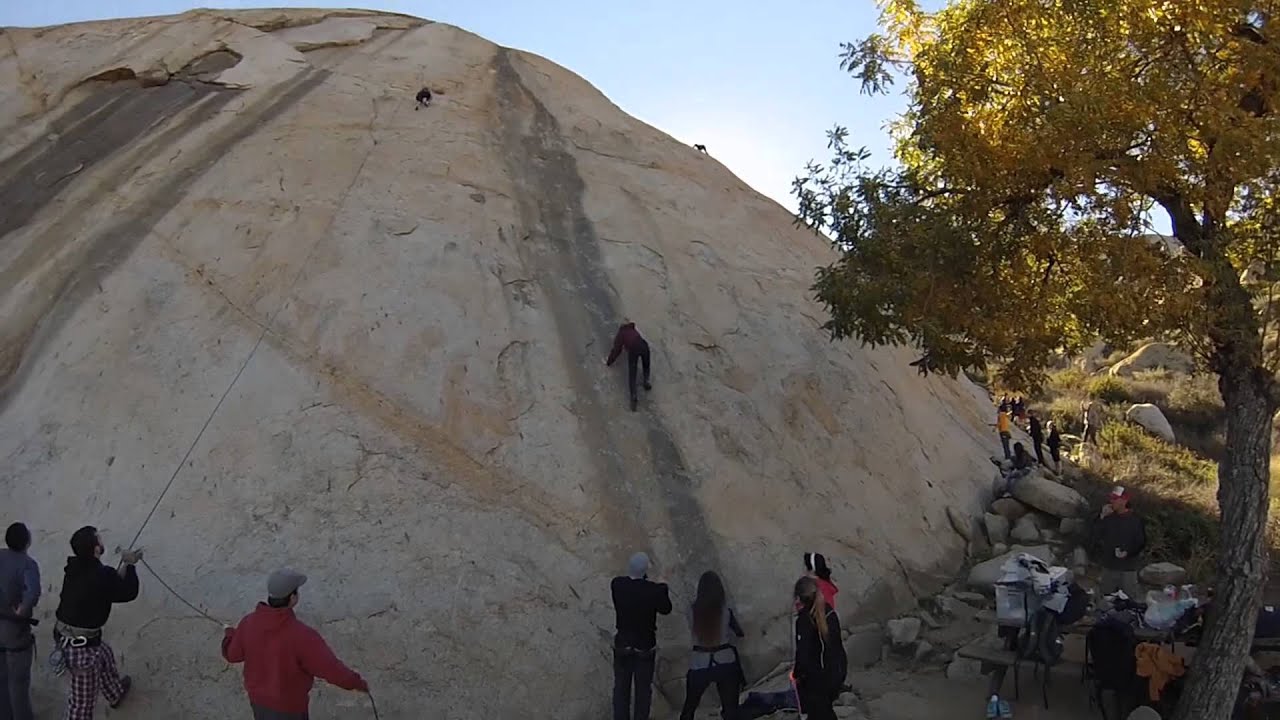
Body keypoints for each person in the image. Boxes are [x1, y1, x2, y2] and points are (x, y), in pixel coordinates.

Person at [222, 569, 368, 719]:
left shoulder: (248, 623)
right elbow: (331, 669)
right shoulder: (302, 635)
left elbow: (232, 655)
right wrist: (357, 683)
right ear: (292, 598)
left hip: (259, 704)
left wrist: (230, 634)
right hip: (289, 710)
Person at [54, 526, 140, 719]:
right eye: (99, 539)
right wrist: (130, 565)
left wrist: (123, 568)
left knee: (104, 654)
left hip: (67, 637)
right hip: (80, 650)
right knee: (81, 707)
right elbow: (127, 592)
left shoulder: (74, 568)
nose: (102, 541)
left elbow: (108, 584)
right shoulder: (102, 575)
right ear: (96, 549)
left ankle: (115, 693)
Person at [610, 552, 672, 720]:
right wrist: (663, 586)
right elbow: (666, 609)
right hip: (645, 645)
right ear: (645, 571)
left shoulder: (617, 584)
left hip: (623, 643)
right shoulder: (654, 590)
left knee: (621, 689)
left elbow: (634, 587)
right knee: (643, 691)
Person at [678, 571, 744, 720]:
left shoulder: (691, 610)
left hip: (699, 663)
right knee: (731, 711)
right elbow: (739, 633)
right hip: (725, 661)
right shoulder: (726, 610)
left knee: (689, 708)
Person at [791, 576, 846, 720]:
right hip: (835, 674)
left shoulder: (804, 621)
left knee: (820, 713)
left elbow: (803, 655)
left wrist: (796, 674)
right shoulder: (829, 613)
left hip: (817, 681)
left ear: (799, 598)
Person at [0, 523, 40, 720]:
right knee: (18, 684)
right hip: (14, 630)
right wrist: (22, 610)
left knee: (1, 680)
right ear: (27, 541)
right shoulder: (27, 564)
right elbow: (32, 593)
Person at [1096, 487, 1146, 599]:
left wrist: (1128, 552)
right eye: (1111, 498)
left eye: (1115, 499)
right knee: (1105, 598)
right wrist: (1101, 517)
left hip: (1128, 568)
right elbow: (1095, 536)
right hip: (1109, 566)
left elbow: (1141, 542)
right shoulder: (1108, 518)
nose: (1111, 501)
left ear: (1124, 500)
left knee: (1129, 599)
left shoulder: (1136, 520)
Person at [605, 321, 653, 412]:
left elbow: (617, 350)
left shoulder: (621, 333)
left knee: (632, 374)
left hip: (633, 348)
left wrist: (609, 362)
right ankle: (646, 381)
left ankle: (634, 396)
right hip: (643, 344)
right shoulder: (633, 330)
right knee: (646, 365)